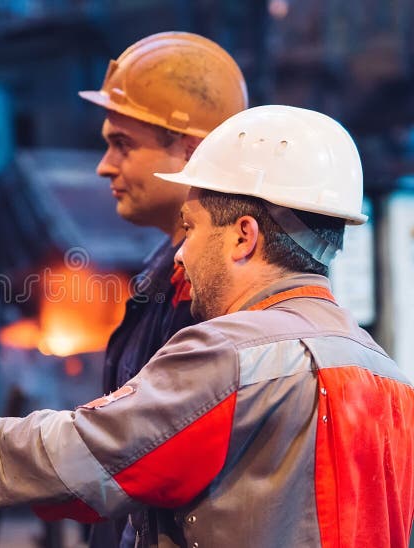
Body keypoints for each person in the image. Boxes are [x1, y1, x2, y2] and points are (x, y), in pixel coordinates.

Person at [0, 105, 414, 547]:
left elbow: (83, 458)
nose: (179, 254)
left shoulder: (230, 356)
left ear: (243, 236)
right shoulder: (388, 376)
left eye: (191, 228)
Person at [81, 31, 248, 546]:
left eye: (122, 144)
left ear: (192, 151)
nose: (104, 165)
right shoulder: (165, 273)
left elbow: (149, 456)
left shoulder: (218, 290)